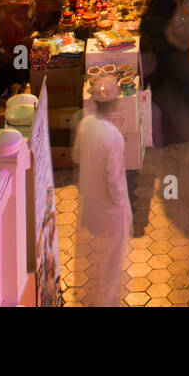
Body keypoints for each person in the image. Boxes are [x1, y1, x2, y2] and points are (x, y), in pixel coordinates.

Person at [72, 79, 132, 306]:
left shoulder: (85, 125)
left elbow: (77, 157)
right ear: (115, 103)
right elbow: (114, 179)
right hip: (111, 209)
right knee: (113, 260)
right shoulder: (113, 136)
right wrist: (121, 207)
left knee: (96, 255)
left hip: (91, 202)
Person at [138, 0, 189, 145]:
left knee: (171, 96)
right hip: (184, 48)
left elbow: (151, 26)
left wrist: (145, 11)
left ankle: (175, 131)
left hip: (171, 53)